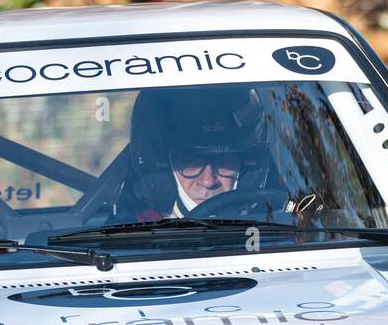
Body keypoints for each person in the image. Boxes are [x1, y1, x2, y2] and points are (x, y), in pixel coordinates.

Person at [115, 85, 273, 222]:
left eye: (223, 161)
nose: (208, 181)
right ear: (164, 167)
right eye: (191, 163)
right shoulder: (132, 233)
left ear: (246, 164)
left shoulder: (279, 218)